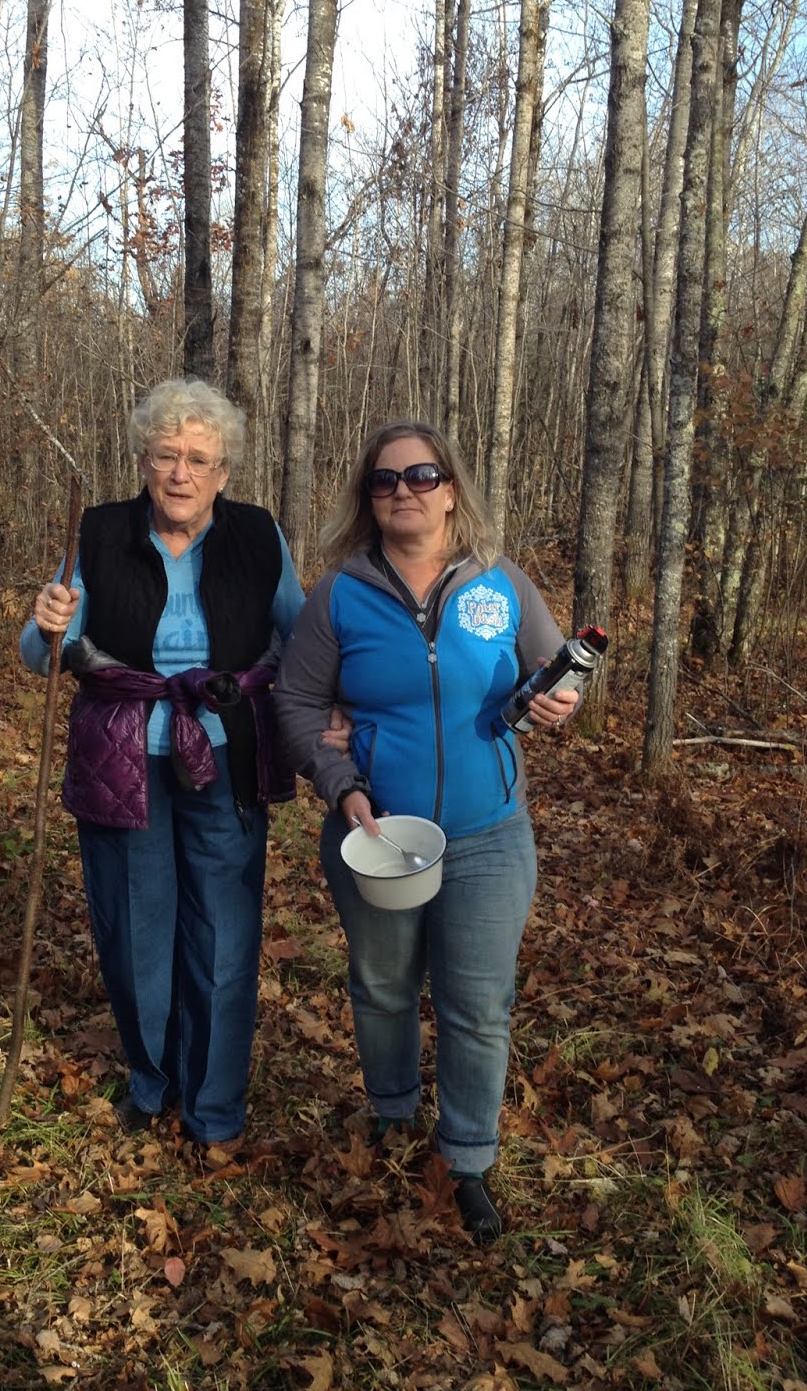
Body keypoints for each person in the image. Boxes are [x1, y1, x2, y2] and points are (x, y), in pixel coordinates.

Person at [273, 419, 578, 1241]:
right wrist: (338, 782)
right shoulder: (339, 595)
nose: (402, 491)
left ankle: (466, 1158)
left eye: (419, 476)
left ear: (449, 490)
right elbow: (295, 701)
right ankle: (391, 1114)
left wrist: (560, 698)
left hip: (488, 834)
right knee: (382, 987)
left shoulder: (500, 582)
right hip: (379, 834)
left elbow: (557, 669)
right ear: (366, 498)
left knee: (476, 1003)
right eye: (384, 480)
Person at [19, 378, 305, 1148]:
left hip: (227, 755)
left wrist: (353, 703)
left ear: (223, 471)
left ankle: (213, 1107)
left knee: (223, 936)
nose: (181, 473)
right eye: (166, 455)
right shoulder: (99, 531)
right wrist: (46, 622)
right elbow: (38, 654)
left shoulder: (258, 535)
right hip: (122, 757)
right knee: (135, 933)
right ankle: (151, 1083)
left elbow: (303, 633)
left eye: (198, 459)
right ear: (143, 460)